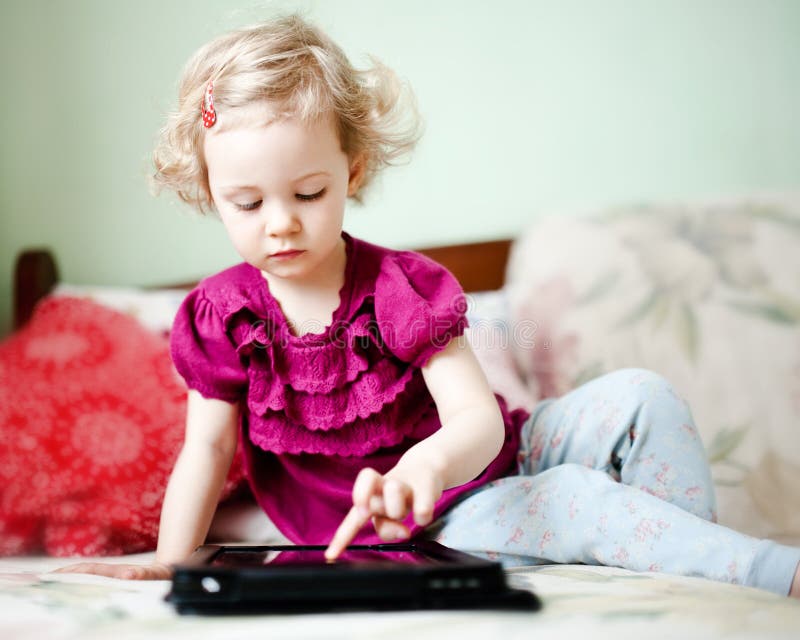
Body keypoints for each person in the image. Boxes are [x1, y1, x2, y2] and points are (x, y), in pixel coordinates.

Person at [56, 13, 800, 598]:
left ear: (351, 169)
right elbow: (208, 450)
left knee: (644, 395)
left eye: (308, 193)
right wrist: (169, 561)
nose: (279, 220)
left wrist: (429, 462)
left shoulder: (399, 289)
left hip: (479, 457)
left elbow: (475, 418)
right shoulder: (224, 316)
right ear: (208, 190)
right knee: (573, 499)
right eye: (246, 202)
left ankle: (693, 572)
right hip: (418, 521)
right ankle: (771, 571)